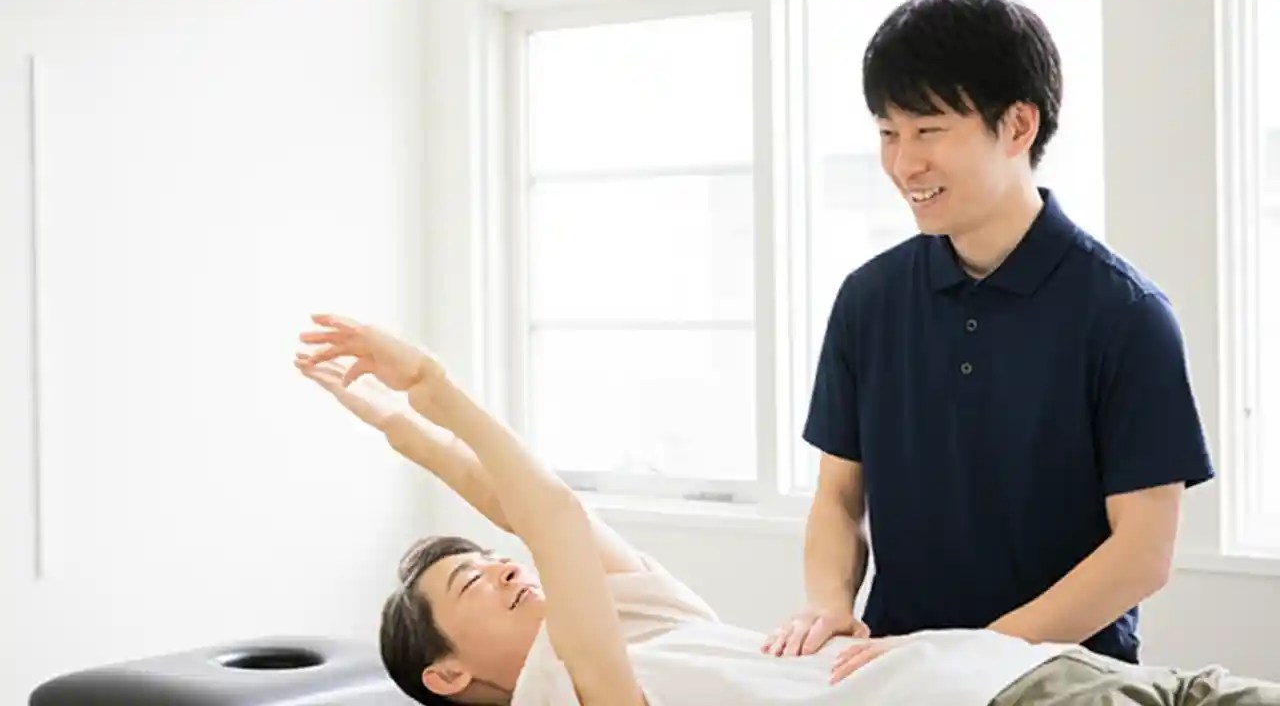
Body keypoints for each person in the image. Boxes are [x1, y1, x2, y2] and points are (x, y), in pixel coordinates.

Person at [294, 314, 1278, 705]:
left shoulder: (643, 628)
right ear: (447, 669)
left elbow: (518, 502)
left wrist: (399, 425)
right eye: (475, 577)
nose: (506, 563)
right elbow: (544, 513)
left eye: (491, 557)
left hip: (1028, 669)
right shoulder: (583, 694)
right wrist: (429, 382)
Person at [764, 0, 1215, 673]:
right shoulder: (869, 300)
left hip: (1065, 678)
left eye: (929, 131)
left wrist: (971, 655)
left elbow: (1143, 554)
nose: (903, 163)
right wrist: (830, 600)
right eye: (889, 132)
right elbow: (838, 495)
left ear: (1018, 126)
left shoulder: (1126, 314)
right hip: (895, 670)